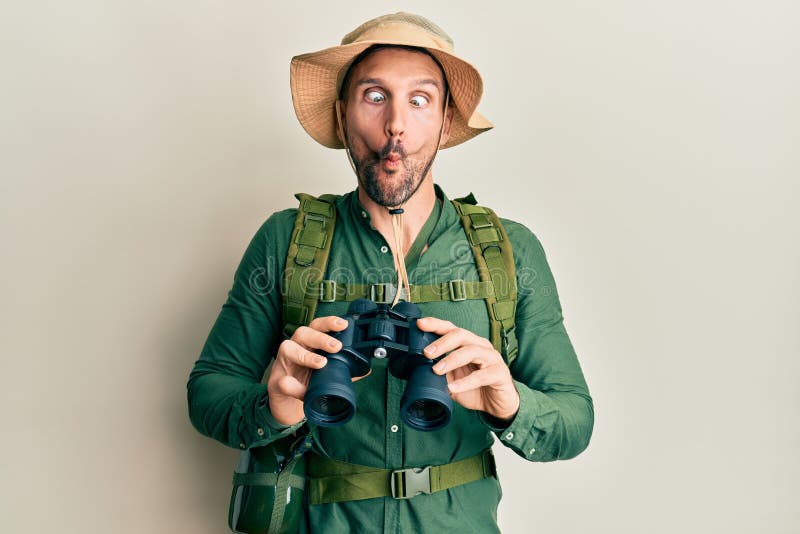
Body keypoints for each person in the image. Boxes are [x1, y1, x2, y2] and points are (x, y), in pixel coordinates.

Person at [188, 12, 593, 533]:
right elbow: (208, 392)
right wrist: (277, 404)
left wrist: (508, 403)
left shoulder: (510, 250)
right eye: (374, 96)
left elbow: (574, 420)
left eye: (419, 100)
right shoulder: (286, 241)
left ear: (446, 123)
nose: (396, 124)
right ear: (342, 117)